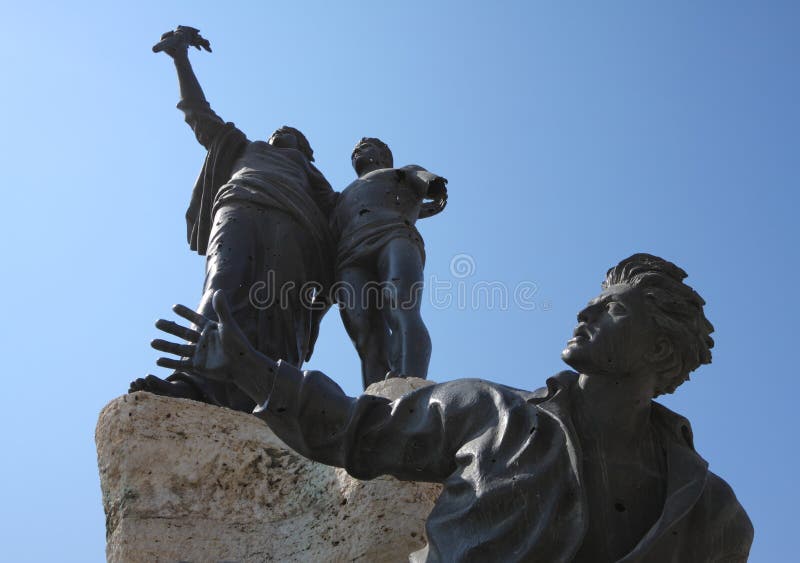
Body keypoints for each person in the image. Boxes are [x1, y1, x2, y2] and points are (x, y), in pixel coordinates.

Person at [151, 251, 753, 562]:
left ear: (659, 348)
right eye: (593, 300)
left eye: (615, 308)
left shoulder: (713, 514)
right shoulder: (488, 412)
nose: (586, 312)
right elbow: (357, 432)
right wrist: (253, 370)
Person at [130, 27, 337, 412]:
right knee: (222, 283)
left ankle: (264, 392)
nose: (281, 134)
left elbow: (345, 213)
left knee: (278, 307)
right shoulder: (243, 146)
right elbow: (198, 115)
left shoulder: (313, 178)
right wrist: (180, 59)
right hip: (239, 205)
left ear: (307, 150)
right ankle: (192, 378)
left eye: (290, 134)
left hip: (297, 227)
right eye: (277, 131)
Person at [331, 137, 447, 387]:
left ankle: (410, 381)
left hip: (393, 234)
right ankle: (376, 395)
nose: (357, 152)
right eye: (354, 151)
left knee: (400, 303)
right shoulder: (342, 197)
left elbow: (426, 181)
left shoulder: (401, 172)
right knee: (363, 330)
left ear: (383, 155)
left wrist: (433, 187)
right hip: (349, 256)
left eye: (365, 147)